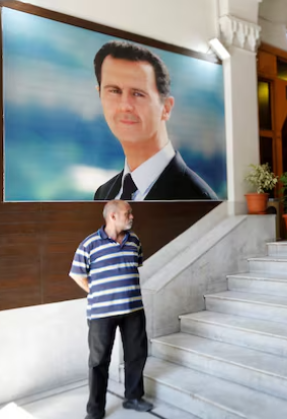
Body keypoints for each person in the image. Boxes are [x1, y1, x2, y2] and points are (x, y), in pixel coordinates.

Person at [92, 41, 218, 201]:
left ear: (166, 108)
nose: (125, 106)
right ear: (100, 95)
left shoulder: (199, 201)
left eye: (138, 93)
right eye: (114, 91)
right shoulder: (103, 194)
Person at [70, 200, 153, 419]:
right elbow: (77, 274)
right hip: (101, 313)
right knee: (98, 361)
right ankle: (95, 410)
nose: (132, 216)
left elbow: (135, 266)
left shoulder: (134, 240)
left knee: (136, 355)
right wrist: (95, 292)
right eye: (128, 213)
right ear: (113, 216)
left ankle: (133, 397)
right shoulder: (89, 244)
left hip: (134, 309)